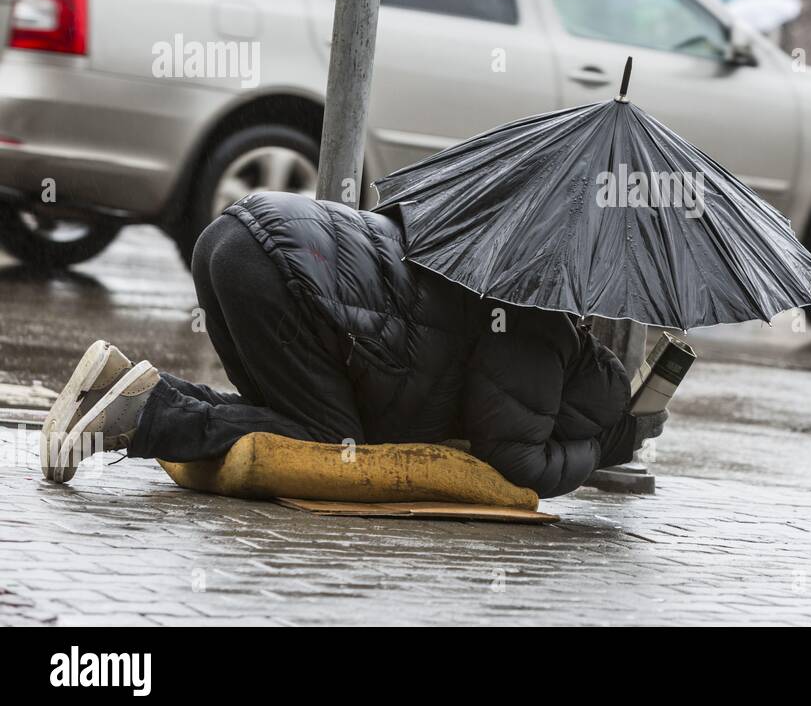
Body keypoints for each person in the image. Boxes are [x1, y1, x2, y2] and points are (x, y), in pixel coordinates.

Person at [40, 192, 667, 498]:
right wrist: (606, 447)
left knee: (286, 416)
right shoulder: (542, 335)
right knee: (328, 441)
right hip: (282, 275)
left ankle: (119, 384)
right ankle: (140, 415)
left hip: (239, 236)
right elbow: (518, 465)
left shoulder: (489, 248)